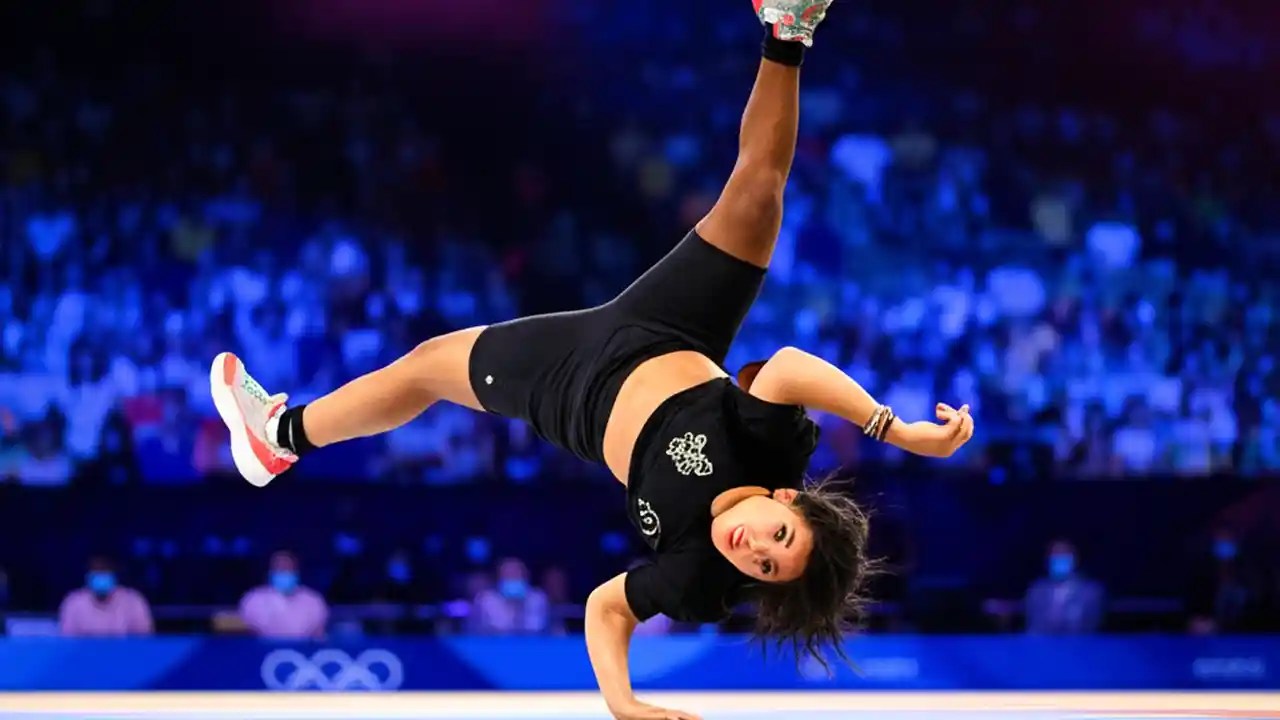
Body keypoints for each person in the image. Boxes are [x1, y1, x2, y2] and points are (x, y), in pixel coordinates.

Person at [210, 4, 974, 718]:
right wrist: (892, 428)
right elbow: (785, 368)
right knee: (757, 197)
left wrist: (621, 699)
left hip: (575, 385)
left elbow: (608, 608)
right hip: (674, 329)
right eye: (781, 535)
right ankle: (789, 29)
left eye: (767, 569)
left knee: (424, 367)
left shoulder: (696, 580)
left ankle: (280, 438)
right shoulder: (772, 449)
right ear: (785, 498)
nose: (758, 550)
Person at [237, 551, 329, 640]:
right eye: (279, 568)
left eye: (288, 568)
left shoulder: (313, 600)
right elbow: (248, 632)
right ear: (270, 572)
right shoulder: (253, 599)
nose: (284, 572)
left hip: (303, 652)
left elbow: (318, 635)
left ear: (296, 571)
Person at [1024, 539, 1105, 635]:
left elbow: (1091, 626)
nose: (1059, 558)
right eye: (1055, 554)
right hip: (1043, 646)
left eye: (1064, 554)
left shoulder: (1091, 591)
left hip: (1079, 645)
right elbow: (1033, 625)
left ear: (1075, 559)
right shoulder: (1036, 590)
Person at [57, 556, 154, 637]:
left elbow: (143, 641)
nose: (101, 576)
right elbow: (68, 643)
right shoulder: (73, 602)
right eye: (96, 571)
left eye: (105, 571)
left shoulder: (134, 601)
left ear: (114, 575)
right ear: (88, 576)